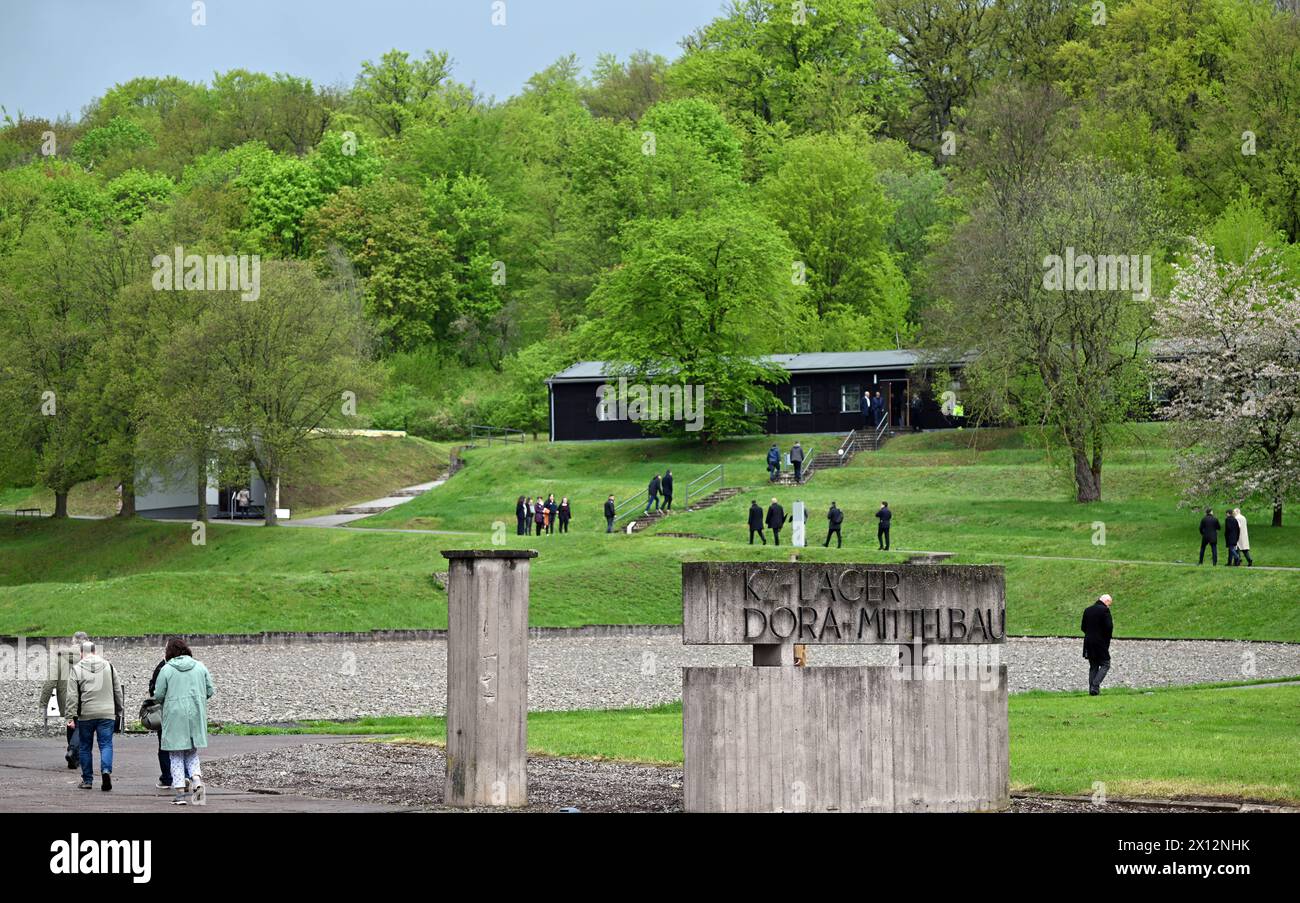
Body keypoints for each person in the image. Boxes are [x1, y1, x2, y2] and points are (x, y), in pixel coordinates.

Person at [153, 638, 215, 806]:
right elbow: (210, 690)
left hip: (174, 716)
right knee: (192, 753)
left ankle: (180, 794)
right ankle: (196, 780)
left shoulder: (166, 669)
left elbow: (158, 695)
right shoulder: (200, 666)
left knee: (175, 755)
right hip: (195, 714)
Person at [65, 640, 123, 791]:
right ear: (95, 651)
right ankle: (105, 771)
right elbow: (118, 691)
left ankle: (87, 780)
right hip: (107, 713)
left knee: (85, 747)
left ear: (81, 653)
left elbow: (71, 696)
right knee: (106, 744)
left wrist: (70, 716)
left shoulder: (76, 669)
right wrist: (119, 711)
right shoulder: (109, 666)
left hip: (86, 714)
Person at [39, 630, 89, 770]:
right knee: (81, 725)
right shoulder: (88, 658)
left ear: (73, 641)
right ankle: (73, 751)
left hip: (65, 698)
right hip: (84, 696)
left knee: (70, 722)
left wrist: (44, 701)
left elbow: (51, 681)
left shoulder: (60, 656)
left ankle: (72, 758)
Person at [1081, 594, 1114, 696]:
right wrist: (1105, 639)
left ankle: (1092, 690)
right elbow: (1109, 627)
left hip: (1088, 641)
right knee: (1106, 664)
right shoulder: (1104, 610)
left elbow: (1083, 627)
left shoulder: (1087, 610)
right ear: (1106, 601)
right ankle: (1095, 686)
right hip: (1100, 642)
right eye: (1109, 604)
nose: (1109, 606)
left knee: (1093, 666)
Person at [147, 654, 172, 790]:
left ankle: (167, 778)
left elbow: (156, 693)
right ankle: (187, 775)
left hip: (165, 711)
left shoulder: (162, 668)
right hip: (186, 713)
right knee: (186, 747)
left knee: (164, 746)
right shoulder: (195, 666)